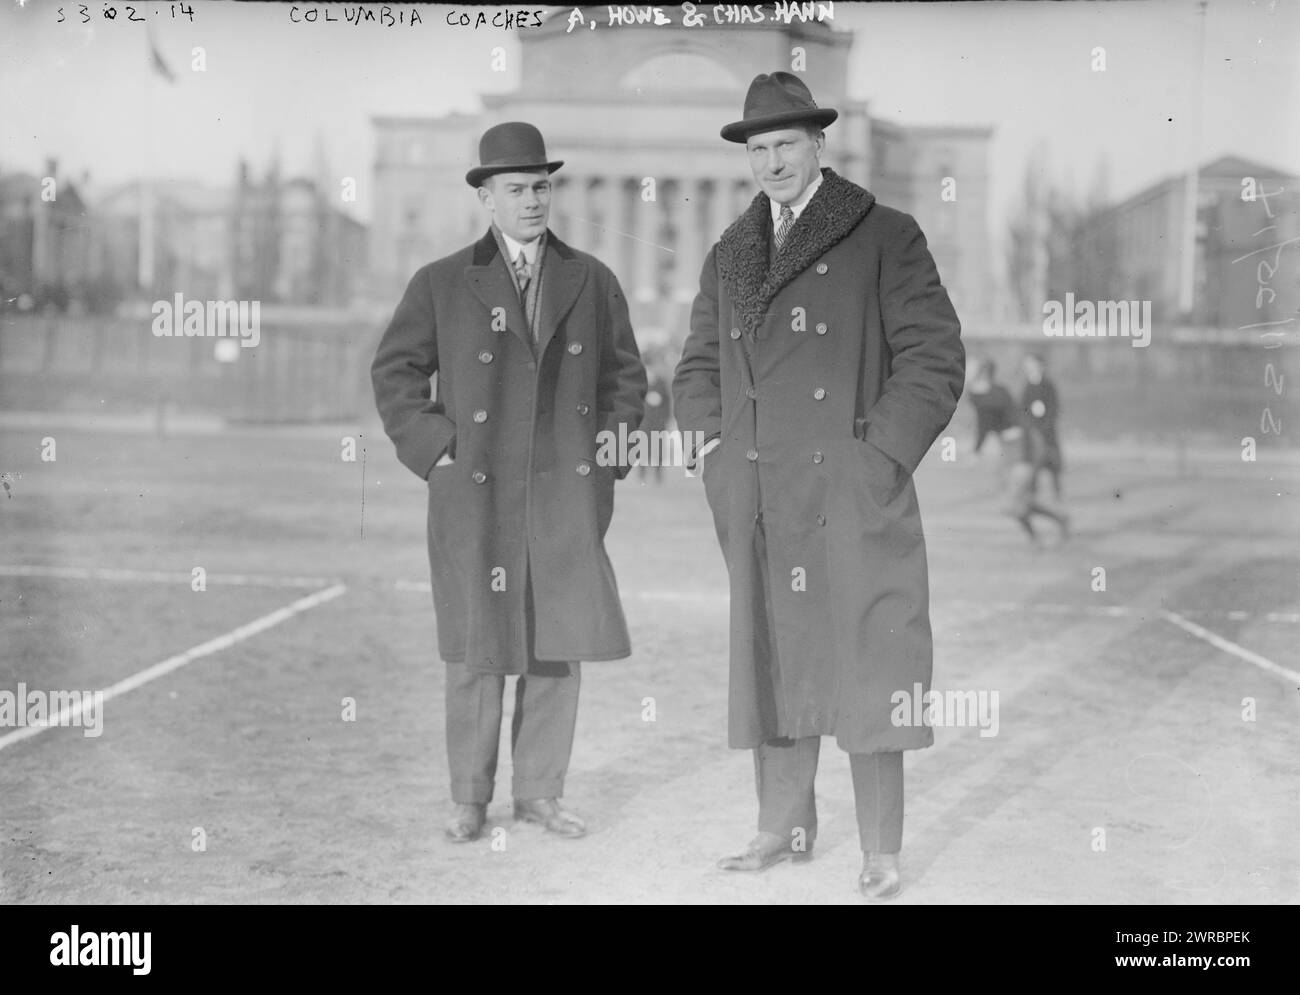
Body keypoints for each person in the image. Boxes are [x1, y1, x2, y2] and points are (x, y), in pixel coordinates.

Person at [672, 73, 964, 900]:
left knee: (871, 658)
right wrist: (714, 448)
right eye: (757, 149)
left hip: (850, 491)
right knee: (773, 652)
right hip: (760, 492)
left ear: (819, 145)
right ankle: (781, 829)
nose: (771, 163)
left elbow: (935, 359)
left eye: (785, 145)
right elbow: (696, 364)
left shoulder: (885, 235)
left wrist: (878, 459)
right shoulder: (730, 253)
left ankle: (880, 849)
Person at [371, 122, 647, 844]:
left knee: (558, 644)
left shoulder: (591, 279)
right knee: (476, 645)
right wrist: (437, 453)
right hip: (478, 492)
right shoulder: (440, 282)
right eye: (517, 189)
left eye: (542, 187)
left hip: (563, 495)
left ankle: (540, 794)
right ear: (486, 199)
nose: (533, 201)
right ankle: (470, 796)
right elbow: (396, 373)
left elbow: (626, 380)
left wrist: (606, 466)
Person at [1020, 352, 1063, 501]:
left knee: (1052, 460)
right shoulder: (1027, 385)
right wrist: (1029, 424)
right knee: (1034, 460)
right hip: (1033, 429)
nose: (1028, 367)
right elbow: (1023, 407)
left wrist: (1046, 424)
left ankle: (1057, 492)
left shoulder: (1048, 384)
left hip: (1046, 429)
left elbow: (1054, 406)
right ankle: (1032, 491)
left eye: (1031, 363)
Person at [967, 357, 1015, 456]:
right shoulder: (977, 393)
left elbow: (1009, 411)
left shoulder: (998, 392)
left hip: (1004, 434)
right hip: (992, 435)